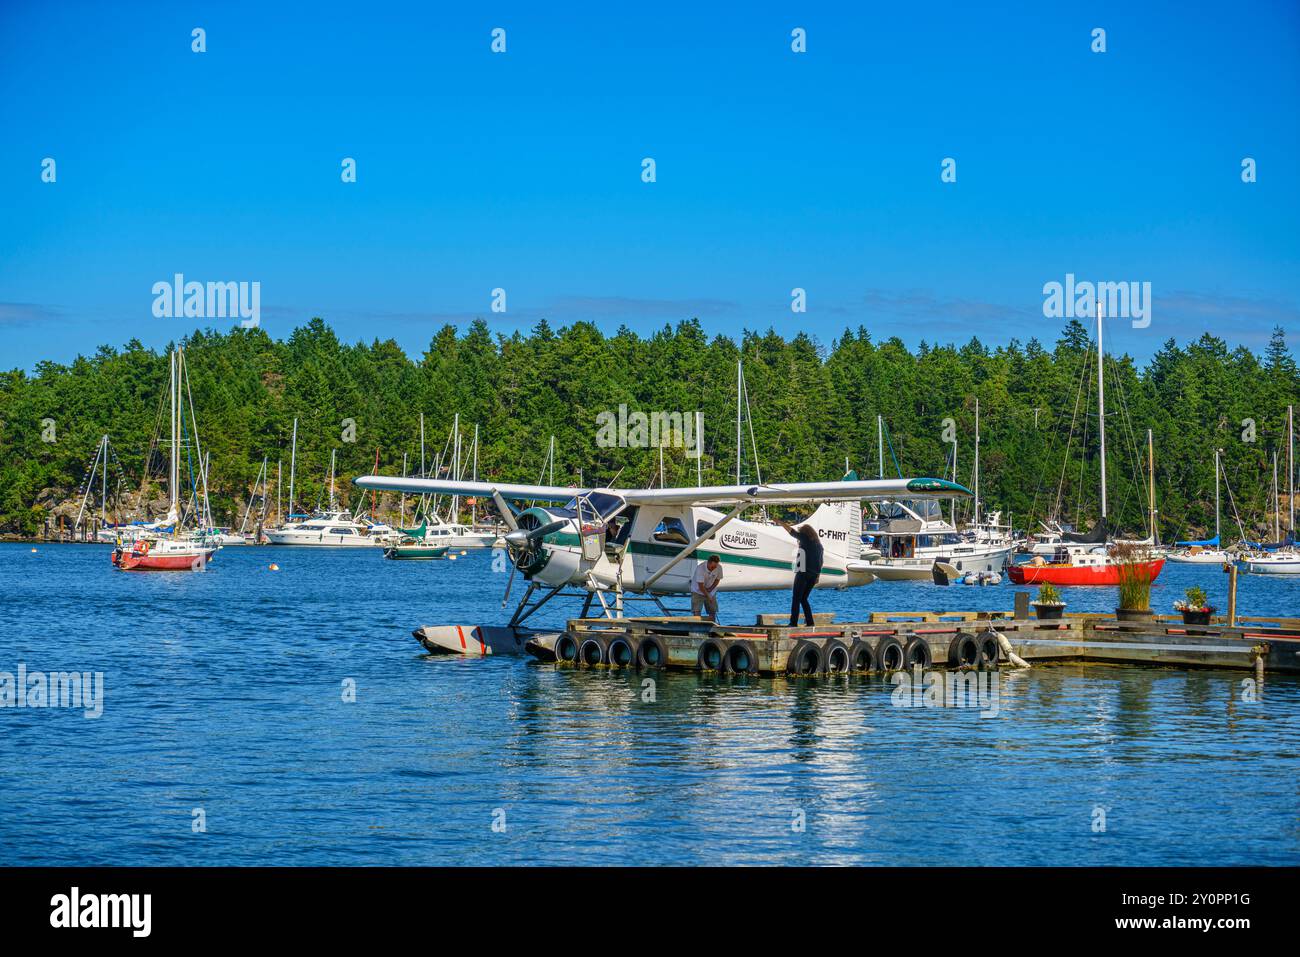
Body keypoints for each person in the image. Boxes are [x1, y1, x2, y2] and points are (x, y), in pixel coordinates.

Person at [778, 517, 823, 626]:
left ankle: (793, 623)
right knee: (804, 599)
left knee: (796, 598)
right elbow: (821, 561)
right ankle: (810, 622)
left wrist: (781, 522)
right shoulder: (819, 545)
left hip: (803, 573)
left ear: (804, 533)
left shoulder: (805, 539)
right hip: (813, 575)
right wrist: (817, 576)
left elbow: (792, 532)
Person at [690, 554, 723, 621]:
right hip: (697, 590)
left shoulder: (719, 567)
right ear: (708, 563)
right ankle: (697, 627)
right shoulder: (700, 568)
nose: (713, 569)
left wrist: (710, 589)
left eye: (715, 567)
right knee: (697, 610)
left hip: (710, 590)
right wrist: (708, 596)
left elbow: (717, 579)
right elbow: (701, 586)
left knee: (712, 610)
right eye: (712, 567)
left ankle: (712, 626)